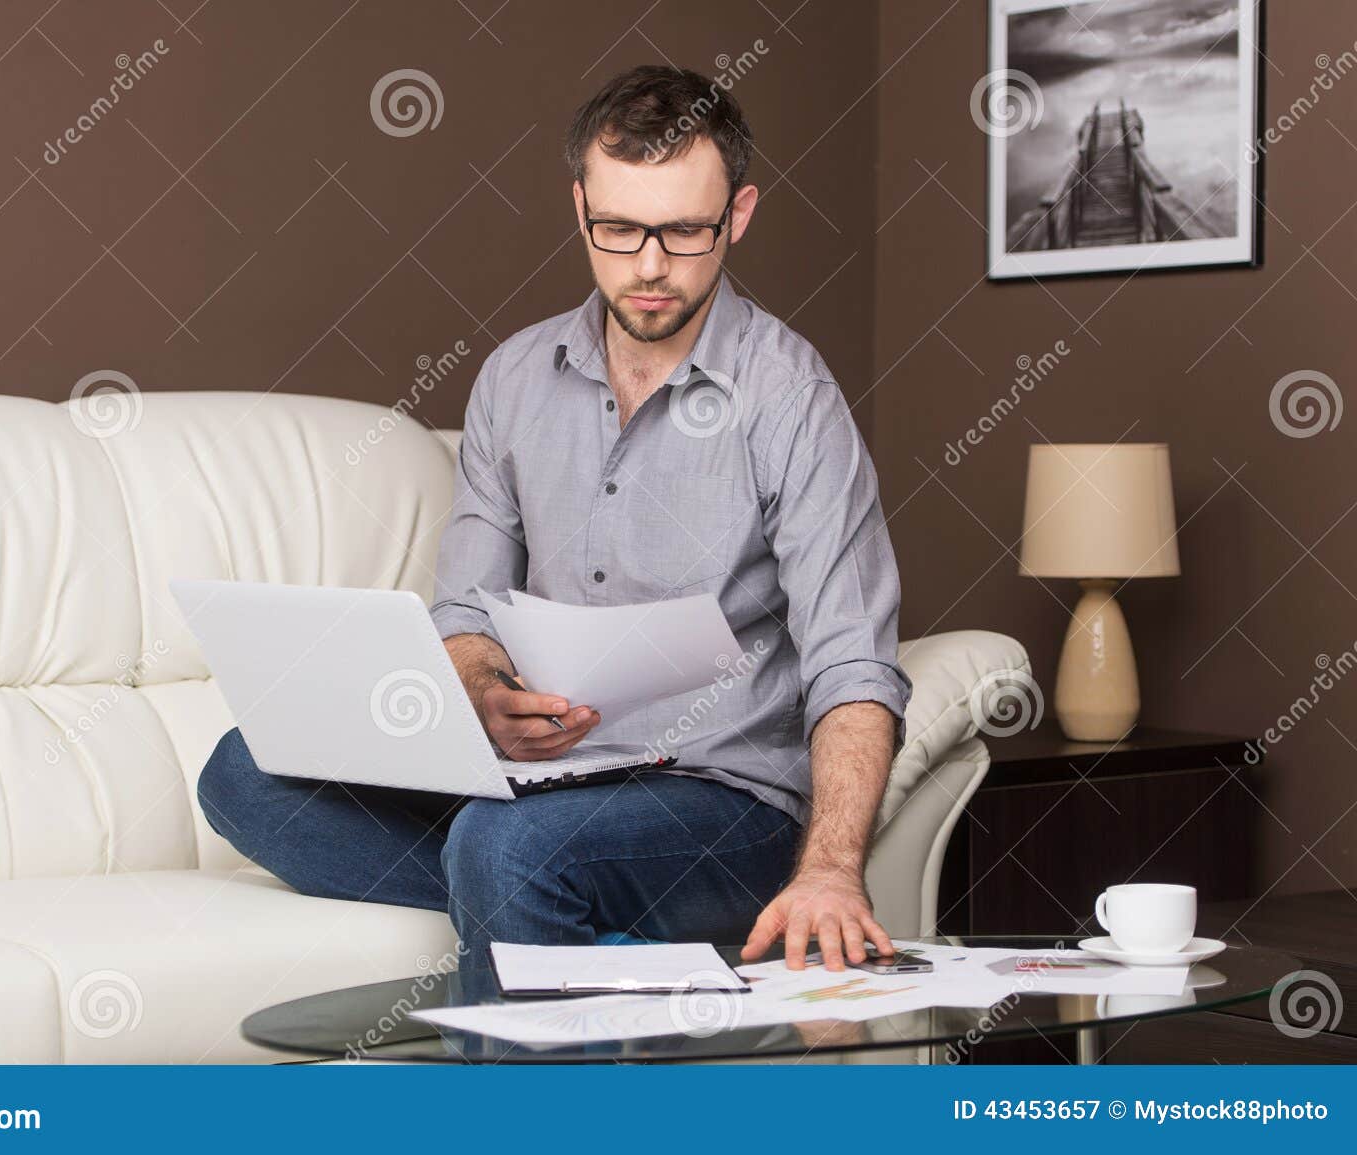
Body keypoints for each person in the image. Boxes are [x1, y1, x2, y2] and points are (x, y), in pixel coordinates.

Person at [199, 64, 911, 974]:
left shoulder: (791, 395)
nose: (650, 266)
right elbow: (466, 614)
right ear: (580, 209)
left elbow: (855, 664)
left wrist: (832, 872)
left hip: (719, 803)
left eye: (686, 232)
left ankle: (529, 928)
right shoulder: (514, 377)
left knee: (504, 846)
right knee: (245, 772)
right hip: (540, 783)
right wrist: (485, 694)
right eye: (618, 229)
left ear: (737, 216)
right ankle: (566, 921)